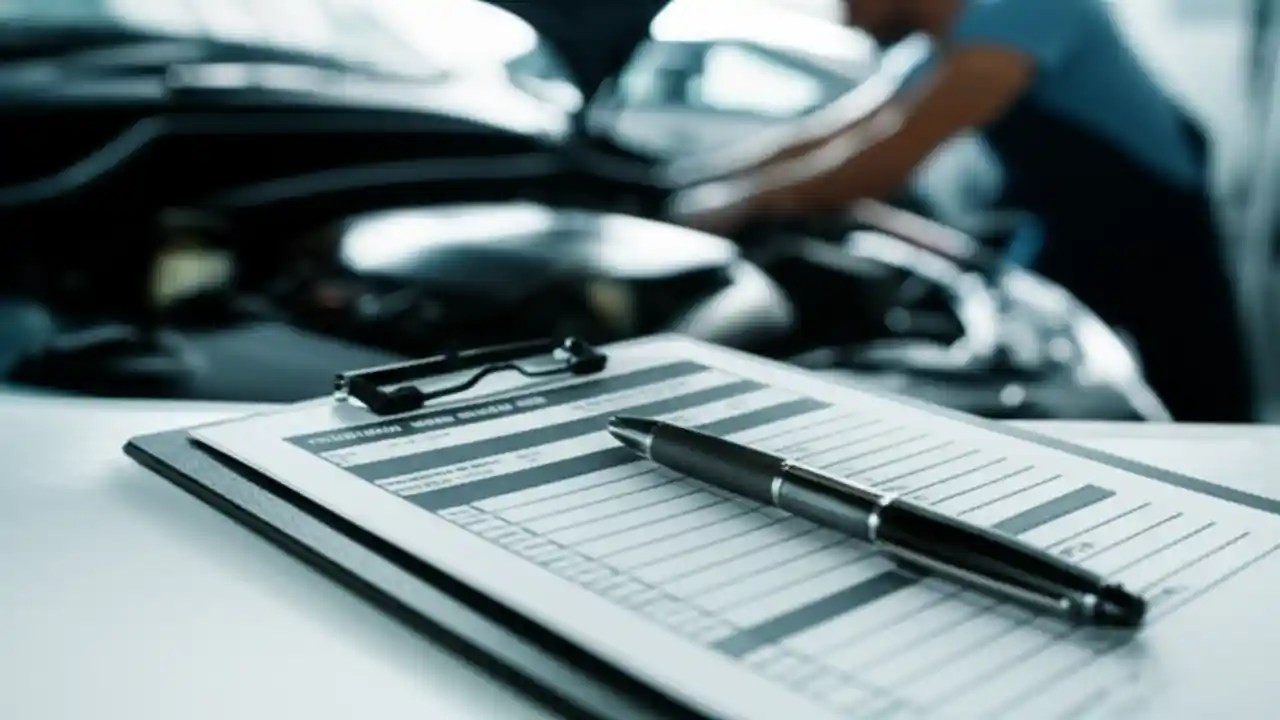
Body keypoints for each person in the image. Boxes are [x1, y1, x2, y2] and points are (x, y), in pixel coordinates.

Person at [672, 0, 1255, 422]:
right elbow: (827, 135)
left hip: (1157, 234)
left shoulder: (1021, 13)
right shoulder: (938, 49)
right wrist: (690, 180)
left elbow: (884, 159)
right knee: (1040, 378)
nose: (842, 13)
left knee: (1203, 405)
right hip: (1066, 226)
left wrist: (747, 200)